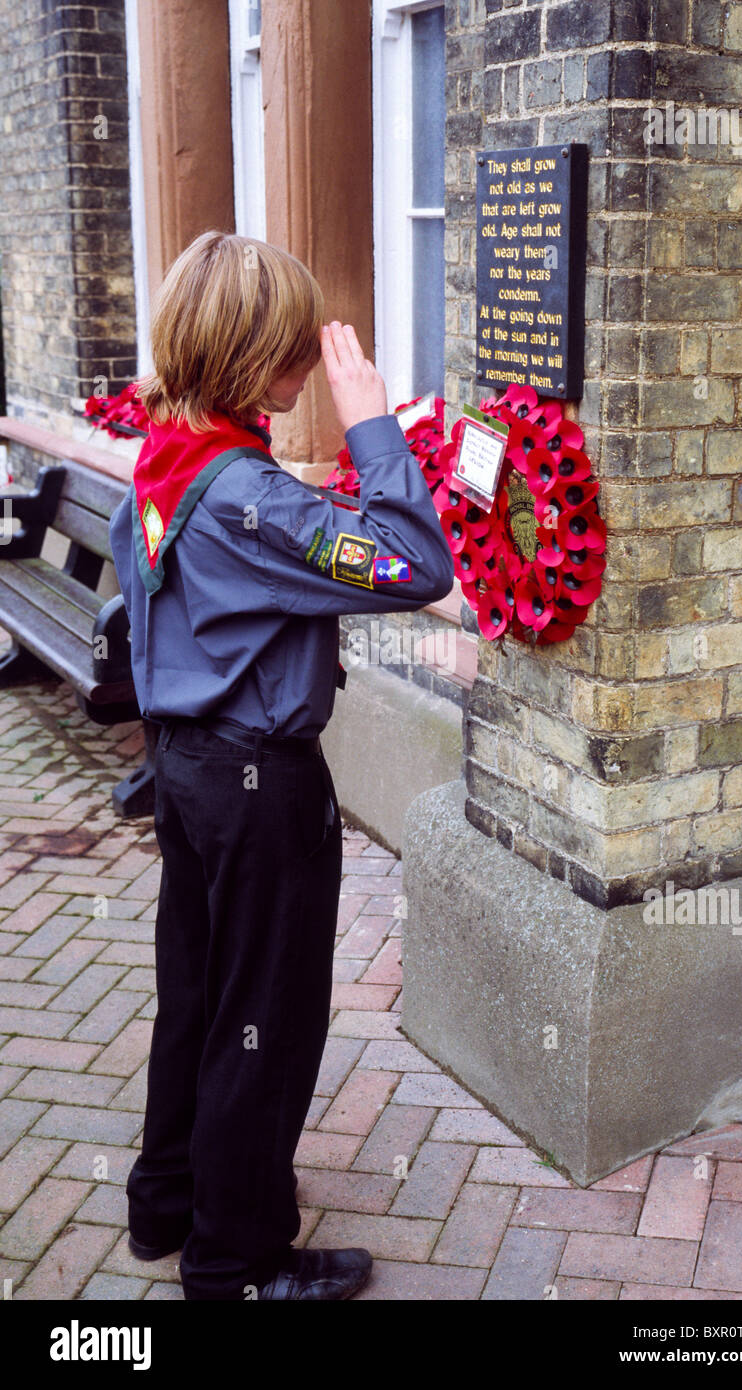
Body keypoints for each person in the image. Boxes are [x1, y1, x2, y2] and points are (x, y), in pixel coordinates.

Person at [108, 230, 455, 1301]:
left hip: (187, 771)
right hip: (257, 788)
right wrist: (373, 427)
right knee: (266, 1017)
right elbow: (415, 565)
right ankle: (239, 1261)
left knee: (198, 996)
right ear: (251, 355)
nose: (311, 359)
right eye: (296, 344)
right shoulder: (248, 496)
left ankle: (168, 1201)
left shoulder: (170, 459)